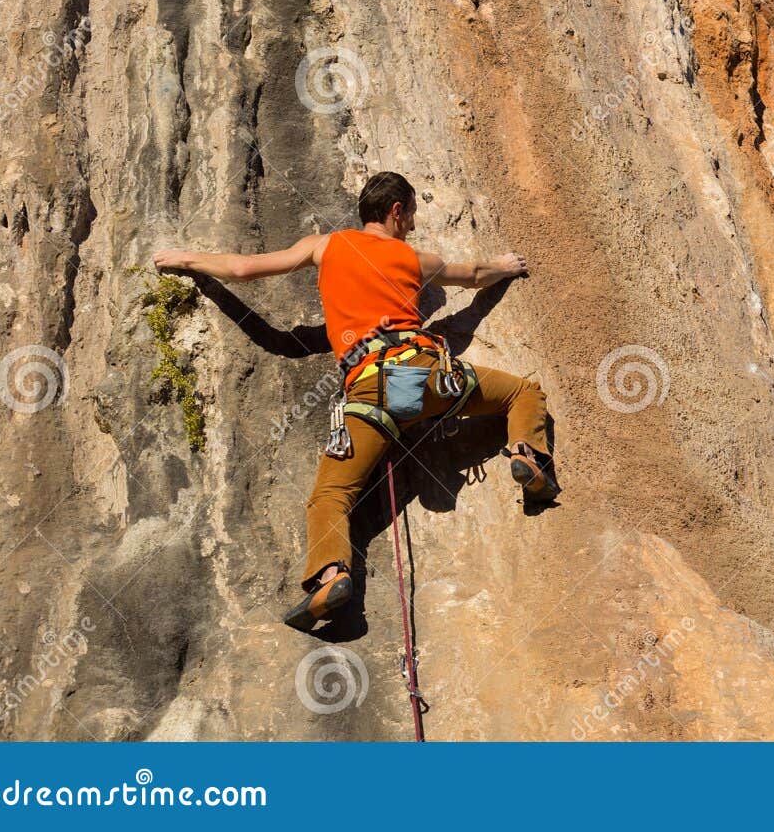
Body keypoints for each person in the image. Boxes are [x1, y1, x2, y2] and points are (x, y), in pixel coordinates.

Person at [153, 171, 557, 632]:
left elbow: (246, 271)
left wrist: (187, 259)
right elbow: (477, 278)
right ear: (396, 211)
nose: (411, 227)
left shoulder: (324, 246)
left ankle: (332, 577)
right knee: (523, 392)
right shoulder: (413, 257)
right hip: (424, 376)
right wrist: (507, 265)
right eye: (410, 217)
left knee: (330, 495)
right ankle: (529, 456)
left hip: (369, 389)